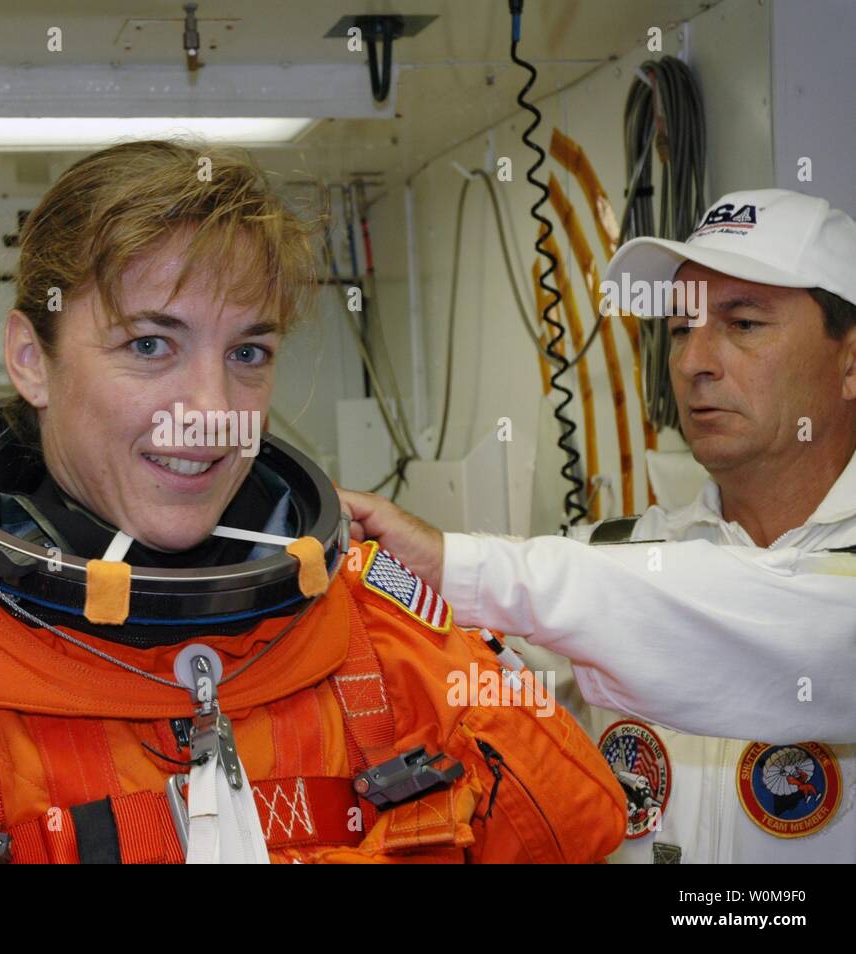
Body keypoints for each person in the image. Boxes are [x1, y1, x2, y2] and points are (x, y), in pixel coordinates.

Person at [0, 139, 624, 864]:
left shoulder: (391, 646)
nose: (210, 412)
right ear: (32, 358)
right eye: (150, 345)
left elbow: (583, 839)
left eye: (248, 352)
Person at [340, 188, 856, 862]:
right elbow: (460, 684)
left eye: (743, 324)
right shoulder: (608, 558)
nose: (693, 361)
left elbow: (789, 623)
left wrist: (452, 563)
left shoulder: (594, 581)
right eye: (678, 329)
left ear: (849, 362)